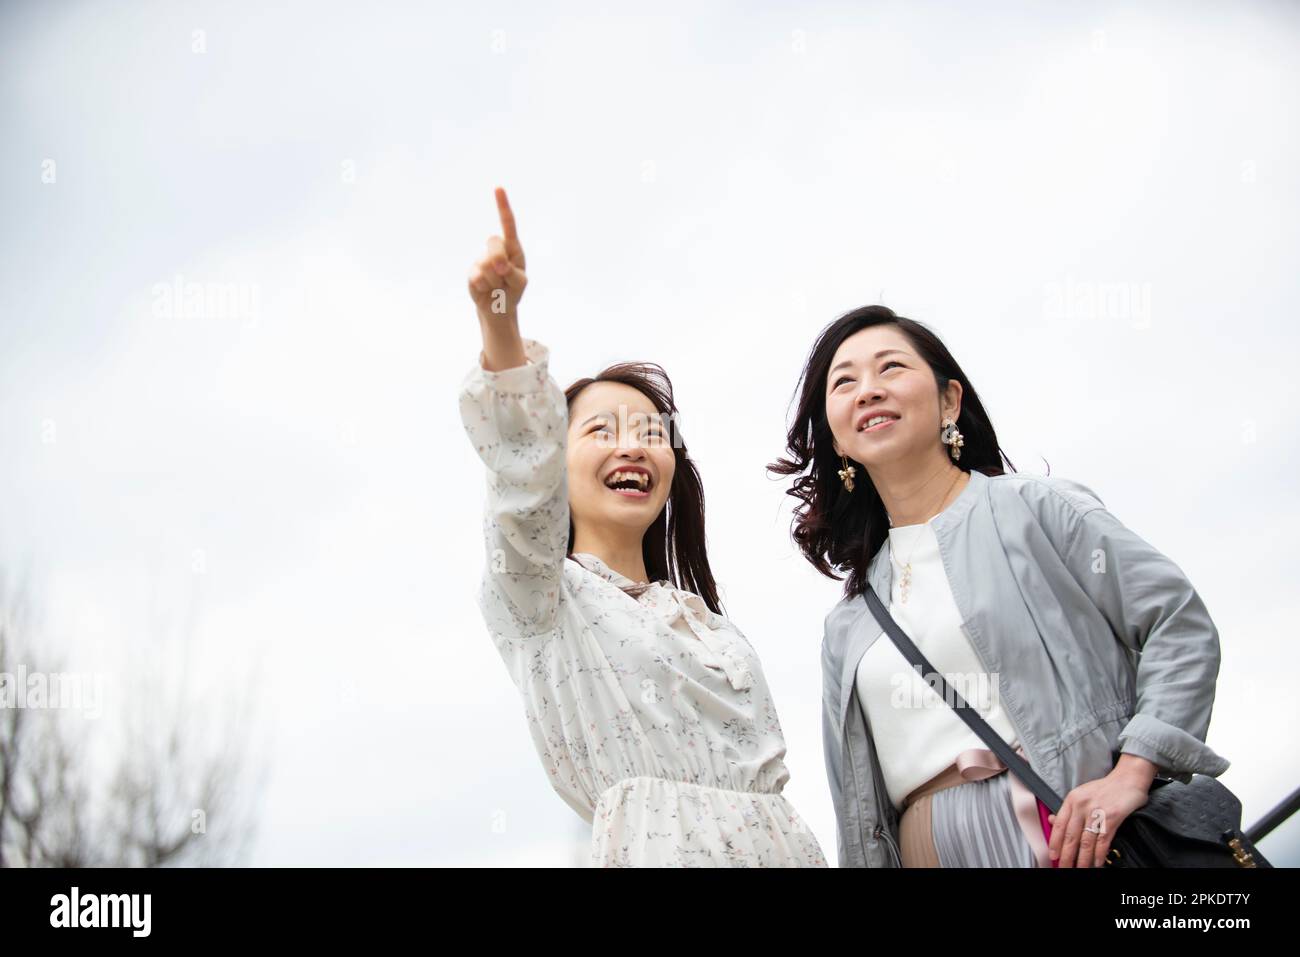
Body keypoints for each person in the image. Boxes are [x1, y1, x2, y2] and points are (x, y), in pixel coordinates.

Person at [768, 304, 1230, 867]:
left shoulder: (1034, 510)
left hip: (1071, 836)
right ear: (838, 440)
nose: (868, 390)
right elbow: (855, 803)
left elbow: (1176, 622)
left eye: (891, 368)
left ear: (949, 403)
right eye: (845, 382)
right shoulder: (849, 624)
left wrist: (1134, 772)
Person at [458, 187, 827, 867]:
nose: (632, 446)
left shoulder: (711, 625)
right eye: (601, 430)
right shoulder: (542, 597)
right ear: (554, 459)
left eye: (651, 433)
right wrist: (501, 321)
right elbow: (519, 480)